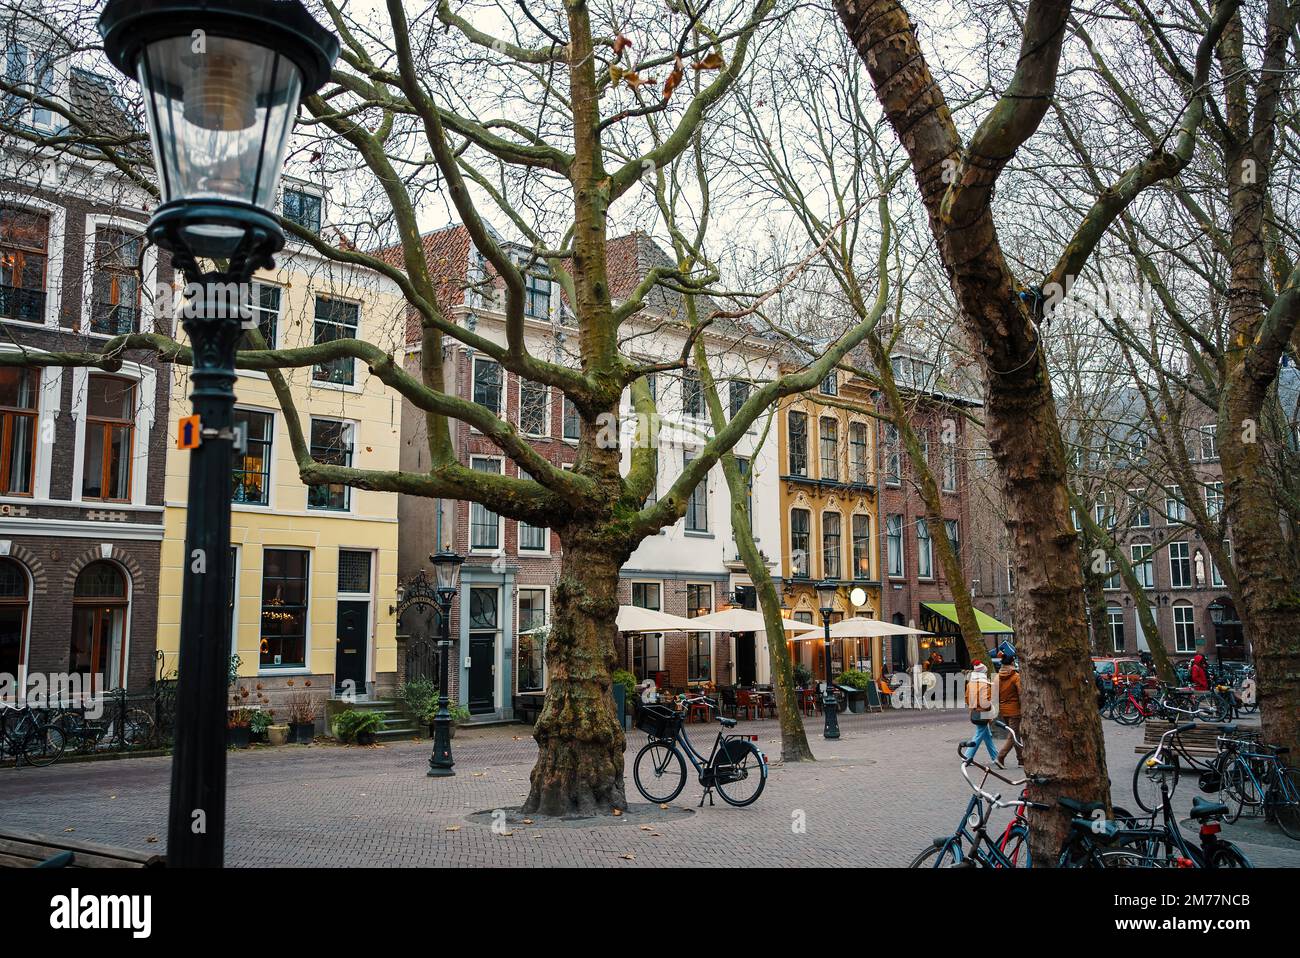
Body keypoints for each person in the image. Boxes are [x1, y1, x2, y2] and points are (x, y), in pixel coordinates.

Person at [963, 662, 997, 762]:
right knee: (979, 735)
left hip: (974, 712)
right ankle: (967, 757)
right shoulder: (984, 684)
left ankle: (995, 756)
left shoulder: (970, 684)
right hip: (983, 712)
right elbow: (986, 702)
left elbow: (966, 698)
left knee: (986, 735)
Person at [994, 653, 1023, 768]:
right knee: (1013, 735)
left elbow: (995, 694)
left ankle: (1021, 759)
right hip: (1015, 710)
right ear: (1012, 662)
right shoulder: (1016, 676)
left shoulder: (997, 677)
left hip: (1004, 710)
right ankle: (1000, 757)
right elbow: (1021, 693)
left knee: (1015, 734)